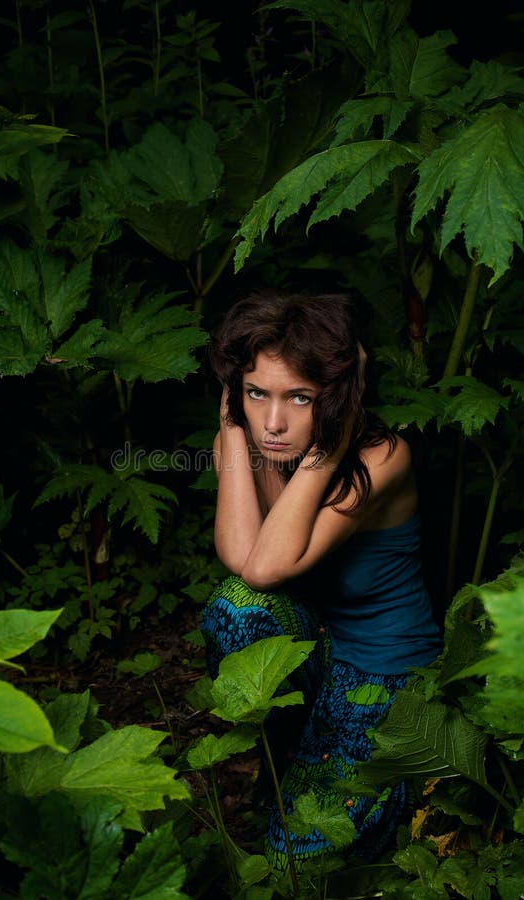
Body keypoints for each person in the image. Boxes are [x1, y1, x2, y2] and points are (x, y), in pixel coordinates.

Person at [200, 288, 442, 870]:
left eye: (300, 398)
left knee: (296, 861)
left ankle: (382, 787)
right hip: (317, 647)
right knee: (237, 611)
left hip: (383, 671)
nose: (274, 422)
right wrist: (233, 421)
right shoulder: (248, 433)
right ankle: (288, 753)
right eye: (257, 392)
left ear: (335, 395)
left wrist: (333, 437)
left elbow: (268, 565)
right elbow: (244, 563)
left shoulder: (383, 455)